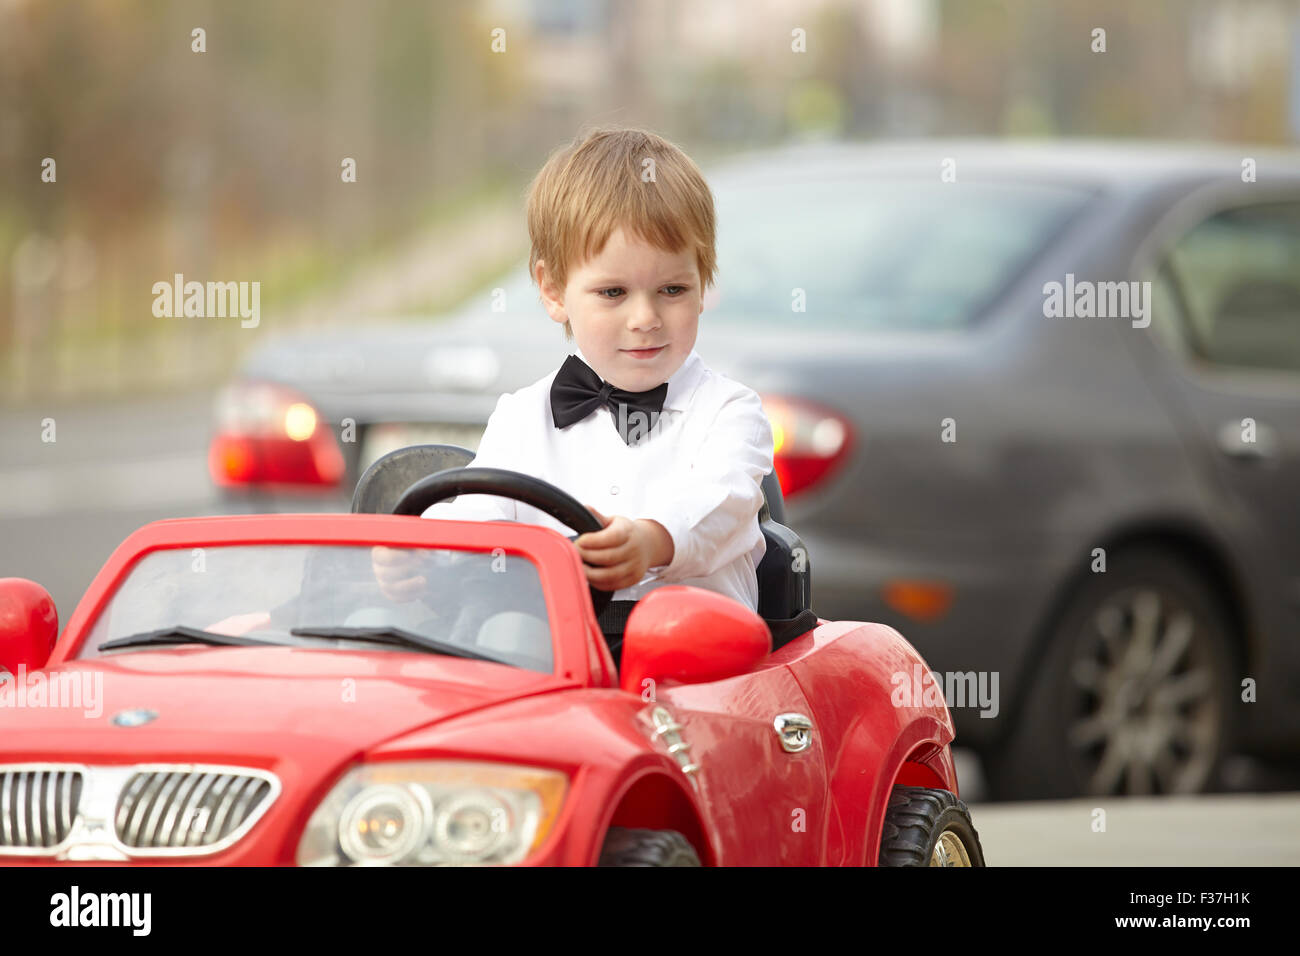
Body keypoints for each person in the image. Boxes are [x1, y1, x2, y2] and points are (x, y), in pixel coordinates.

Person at [372, 125, 775, 667]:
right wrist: (422, 563)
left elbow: (719, 503)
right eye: (613, 293)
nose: (645, 319)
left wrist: (651, 540)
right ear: (553, 290)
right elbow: (478, 528)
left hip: (697, 676)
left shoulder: (730, 414)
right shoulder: (520, 418)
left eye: (672, 290)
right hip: (552, 664)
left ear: (703, 284)